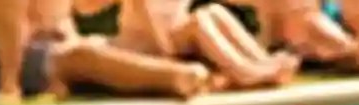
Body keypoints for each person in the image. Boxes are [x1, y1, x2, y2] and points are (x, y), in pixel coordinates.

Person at [0, 0, 214, 105]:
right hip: (27, 58)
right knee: (82, 55)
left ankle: (190, 70)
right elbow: (11, 28)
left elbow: (85, 7)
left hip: (63, 49)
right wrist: (9, 88)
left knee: (105, 45)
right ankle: (176, 77)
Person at [107, 0, 300, 89]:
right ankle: (245, 72)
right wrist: (168, 57)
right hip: (147, 44)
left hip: (176, 38)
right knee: (199, 20)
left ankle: (260, 61)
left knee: (213, 10)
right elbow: (150, 23)